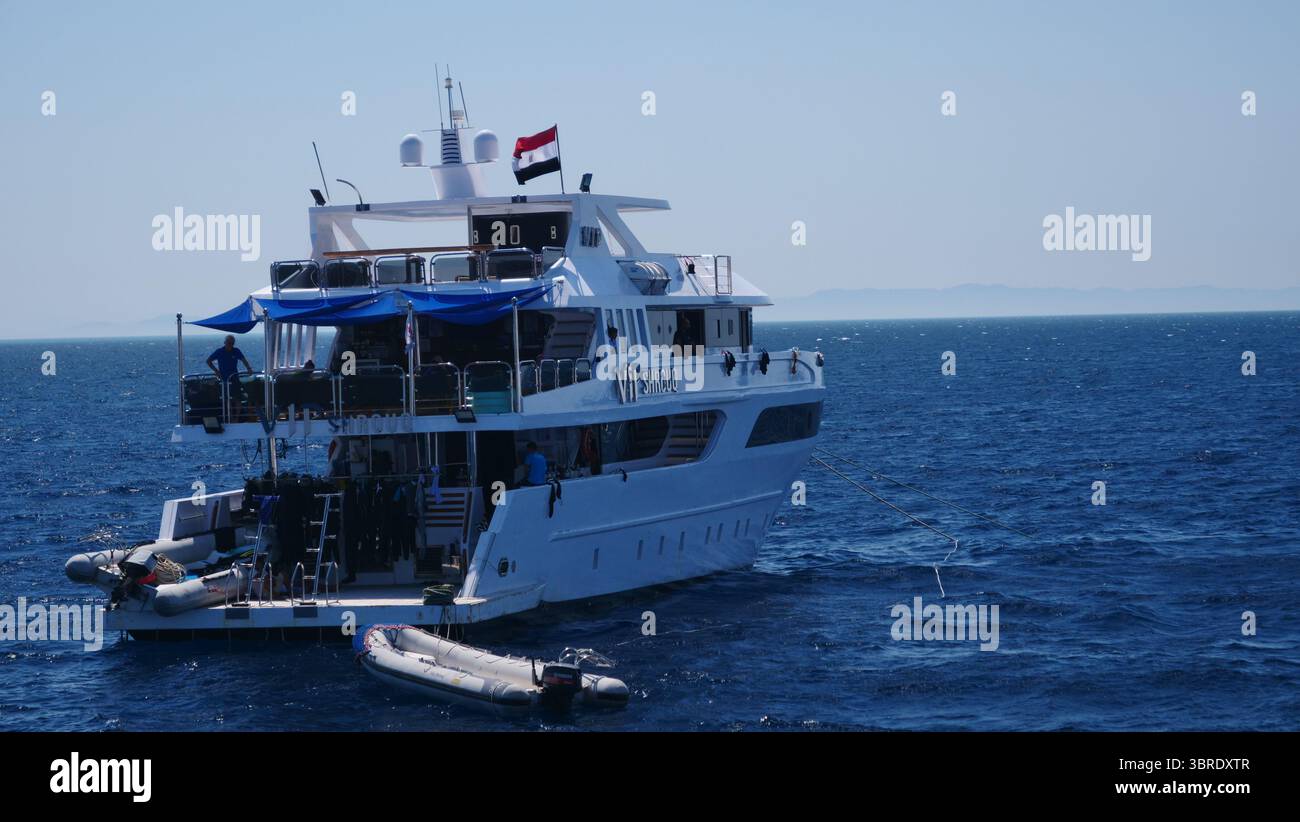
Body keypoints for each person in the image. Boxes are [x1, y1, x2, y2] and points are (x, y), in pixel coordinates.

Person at [207, 335, 254, 421]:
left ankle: (236, 417)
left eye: (232, 343)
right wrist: (216, 371)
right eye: (229, 343)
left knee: (237, 398)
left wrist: (249, 369)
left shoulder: (236, 351)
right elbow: (208, 361)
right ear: (225, 343)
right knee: (226, 399)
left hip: (234, 378)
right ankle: (230, 417)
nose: (230, 345)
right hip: (224, 379)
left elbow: (244, 360)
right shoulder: (219, 351)